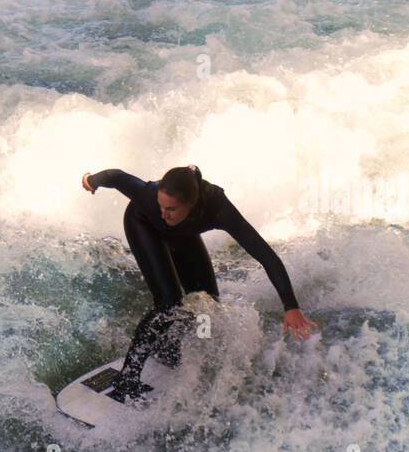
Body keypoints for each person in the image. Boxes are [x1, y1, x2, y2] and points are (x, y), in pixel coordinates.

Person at [81, 164, 317, 401]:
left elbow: (265, 254)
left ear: (191, 204)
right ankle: (127, 379)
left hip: (183, 232)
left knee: (207, 304)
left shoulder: (219, 209)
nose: (163, 213)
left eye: (171, 208)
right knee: (169, 303)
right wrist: (91, 180)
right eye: (161, 206)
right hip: (143, 225)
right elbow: (116, 177)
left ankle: (190, 346)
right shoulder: (149, 196)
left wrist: (290, 306)